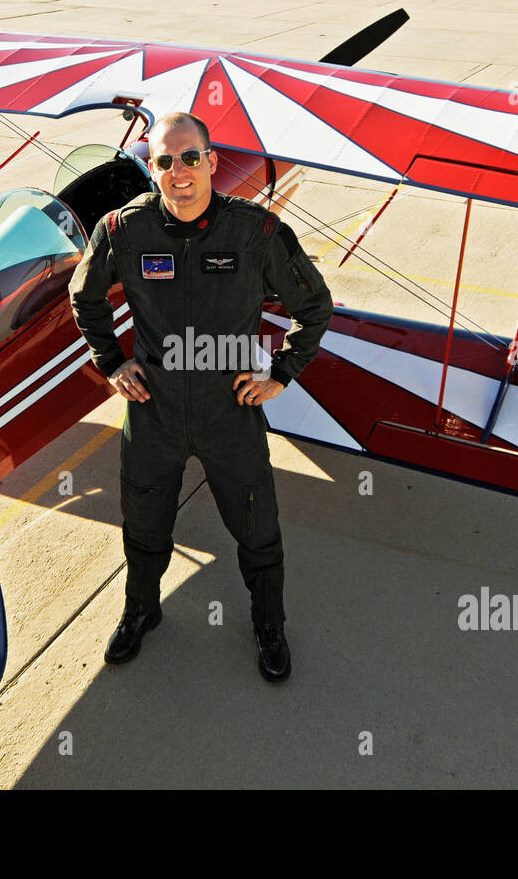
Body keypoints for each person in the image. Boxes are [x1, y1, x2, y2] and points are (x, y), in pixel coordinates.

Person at [68, 111, 333, 682]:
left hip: (229, 414)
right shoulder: (123, 230)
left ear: (212, 162)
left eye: (191, 157)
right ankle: (141, 611)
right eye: (164, 161)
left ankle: (269, 626)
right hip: (153, 412)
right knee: (142, 527)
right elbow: (84, 298)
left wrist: (281, 374)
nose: (179, 171)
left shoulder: (255, 233)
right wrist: (111, 363)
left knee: (259, 533)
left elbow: (314, 306)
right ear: (153, 168)